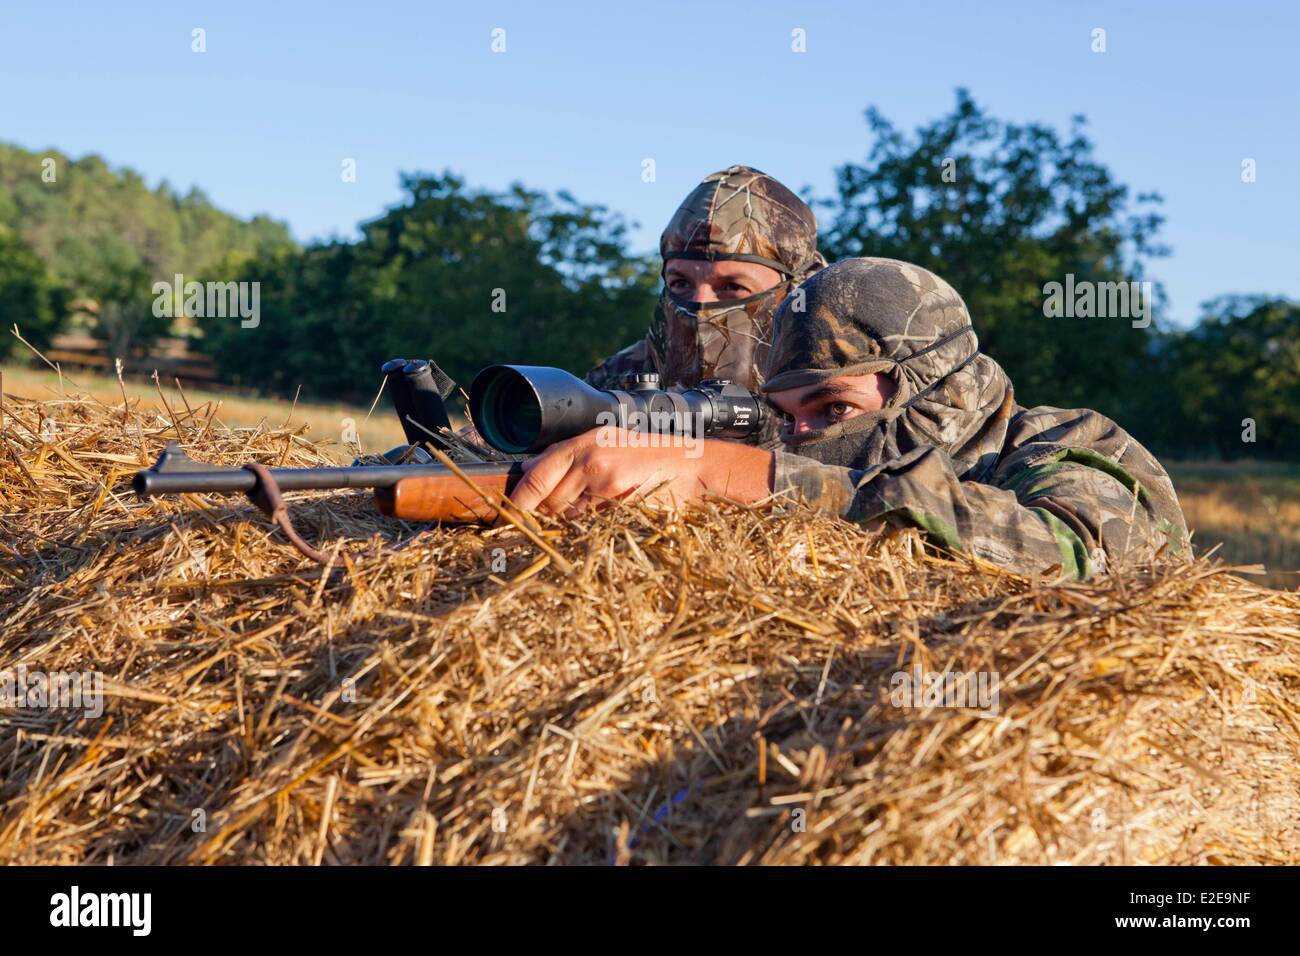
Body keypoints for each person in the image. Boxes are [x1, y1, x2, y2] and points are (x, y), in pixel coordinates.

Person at [509, 257, 1188, 579]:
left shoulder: (1064, 444)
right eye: (789, 419)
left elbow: (1073, 557)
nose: (807, 439)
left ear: (934, 390)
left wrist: (736, 476)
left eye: (835, 408)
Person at [584, 165, 826, 411]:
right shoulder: (615, 386)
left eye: (732, 286)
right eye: (680, 283)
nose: (700, 306)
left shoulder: (835, 387)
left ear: (795, 289)